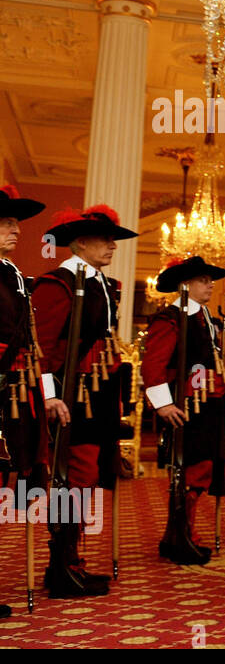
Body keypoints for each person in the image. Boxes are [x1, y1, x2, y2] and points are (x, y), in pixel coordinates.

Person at [33, 204, 137, 598]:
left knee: (89, 476)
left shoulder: (107, 285)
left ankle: (72, 560)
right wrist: (49, 395)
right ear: (78, 243)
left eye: (113, 239)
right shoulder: (56, 284)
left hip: (100, 394)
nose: (112, 245)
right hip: (69, 394)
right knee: (70, 478)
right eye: (104, 239)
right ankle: (60, 565)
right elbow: (41, 347)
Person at [143, 255, 225, 565]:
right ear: (186, 285)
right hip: (186, 408)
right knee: (189, 472)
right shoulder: (170, 318)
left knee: (203, 471)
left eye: (210, 280)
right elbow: (153, 363)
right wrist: (164, 404)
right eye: (202, 280)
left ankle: (177, 535)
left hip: (209, 406)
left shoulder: (208, 317)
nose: (210, 285)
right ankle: (181, 536)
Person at [0, 184, 46, 618]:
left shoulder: (12, 273)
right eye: (8, 222)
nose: (17, 230)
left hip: (15, 393)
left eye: (17, 223)